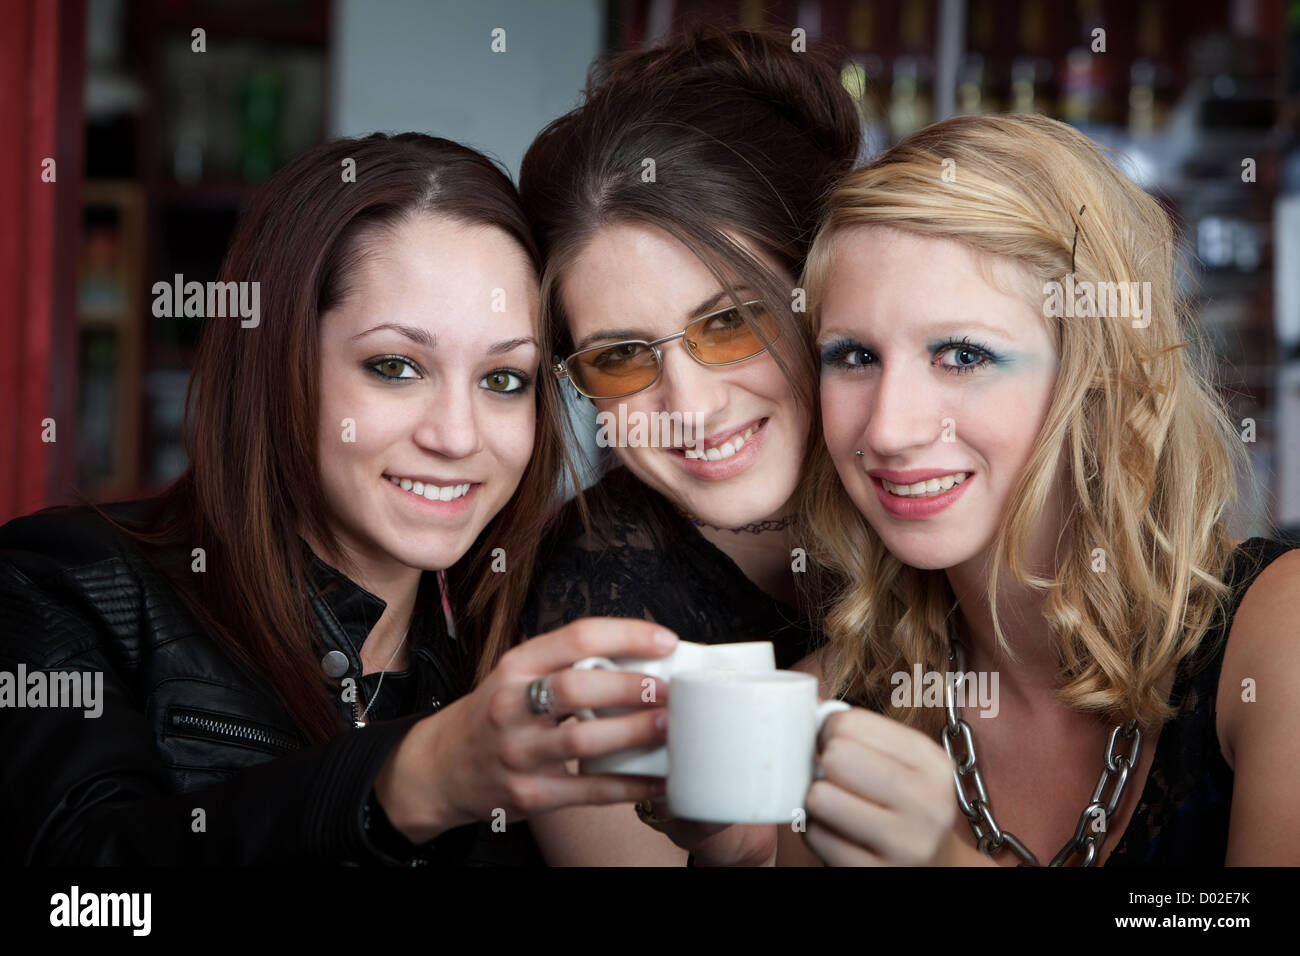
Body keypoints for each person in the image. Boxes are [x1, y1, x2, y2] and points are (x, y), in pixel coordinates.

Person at [0, 132, 680, 865]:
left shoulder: (503, 672)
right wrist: (409, 782)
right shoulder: (56, 590)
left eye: (503, 379)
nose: (456, 436)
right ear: (279, 363)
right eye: (394, 366)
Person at [785, 113, 1300, 866]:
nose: (888, 429)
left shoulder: (1276, 637)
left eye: (963, 354)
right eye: (854, 355)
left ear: (1100, 382)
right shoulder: (819, 707)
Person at [515, 27, 862, 865]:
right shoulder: (590, 615)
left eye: (731, 321)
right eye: (621, 356)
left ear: (826, 293)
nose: (690, 408)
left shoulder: (950, 500)